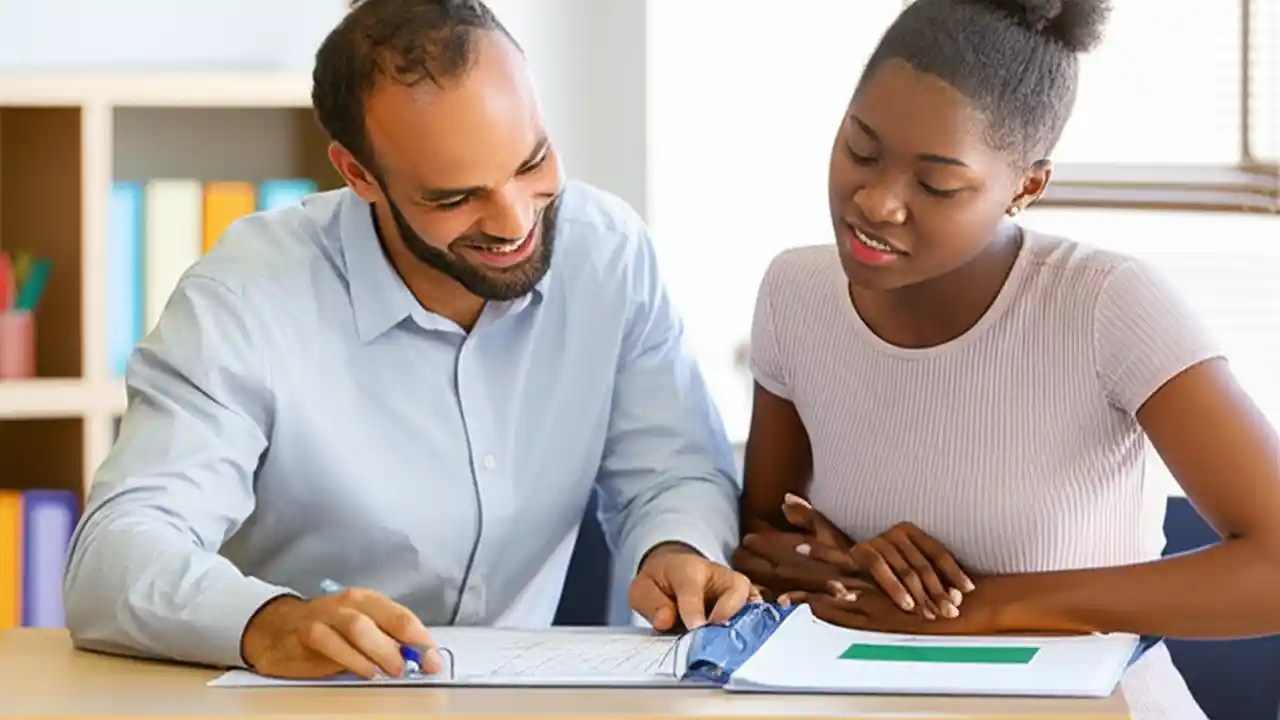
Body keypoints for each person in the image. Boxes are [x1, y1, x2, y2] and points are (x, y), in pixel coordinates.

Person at [63, 0, 751, 680]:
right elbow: (116, 555)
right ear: (358, 175)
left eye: (532, 162)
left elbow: (673, 469)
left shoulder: (607, 254)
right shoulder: (245, 299)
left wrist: (677, 547)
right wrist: (267, 622)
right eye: (454, 199)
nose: (514, 221)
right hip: (304, 701)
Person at [729, 1, 1280, 718]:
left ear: (1026, 187)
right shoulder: (793, 293)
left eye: (936, 184)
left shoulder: (1105, 304)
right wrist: (851, 564)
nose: (875, 202)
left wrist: (984, 606)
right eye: (860, 150)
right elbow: (764, 541)